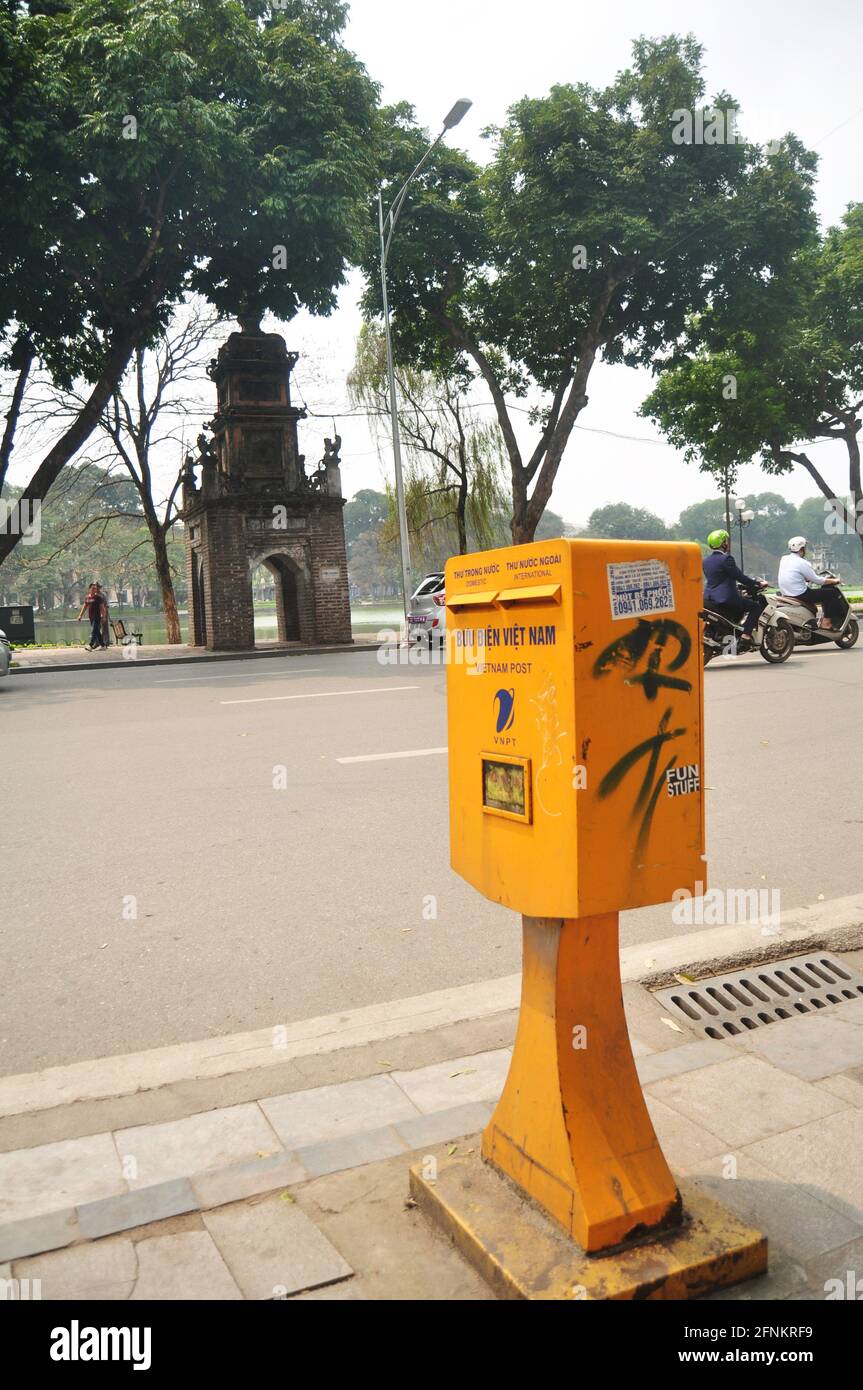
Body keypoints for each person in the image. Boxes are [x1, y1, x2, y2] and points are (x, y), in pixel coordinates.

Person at [702, 529, 767, 646]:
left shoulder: (706, 561)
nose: (728, 543)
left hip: (709, 597)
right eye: (726, 540)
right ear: (722, 543)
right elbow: (740, 576)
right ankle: (746, 635)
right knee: (755, 607)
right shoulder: (726, 559)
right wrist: (757, 584)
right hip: (726, 599)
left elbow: (719, 578)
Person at [778, 536, 849, 631]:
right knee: (832, 593)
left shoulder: (784, 559)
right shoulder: (802, 563)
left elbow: (792, 573)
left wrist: (804, 578)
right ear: (802, 549)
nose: (806, 550)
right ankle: (826, 623)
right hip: (801, 594)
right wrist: (834, 580)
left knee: (824, 594)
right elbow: (818, 580)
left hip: (786, 593)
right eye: (805, 547)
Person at [77, 583, 108, 650]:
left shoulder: (98, 597)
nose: (94, 590)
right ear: (89, 589)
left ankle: (90, 645)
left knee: (94, 630)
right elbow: (84, 607)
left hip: (97, 616)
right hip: (91, 617)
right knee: (97, 631)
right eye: (93, 588)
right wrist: (80, 616)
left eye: (95, 589)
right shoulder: (87, 597)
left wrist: (104, 616)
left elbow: (102, 608)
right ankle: (103, 646)